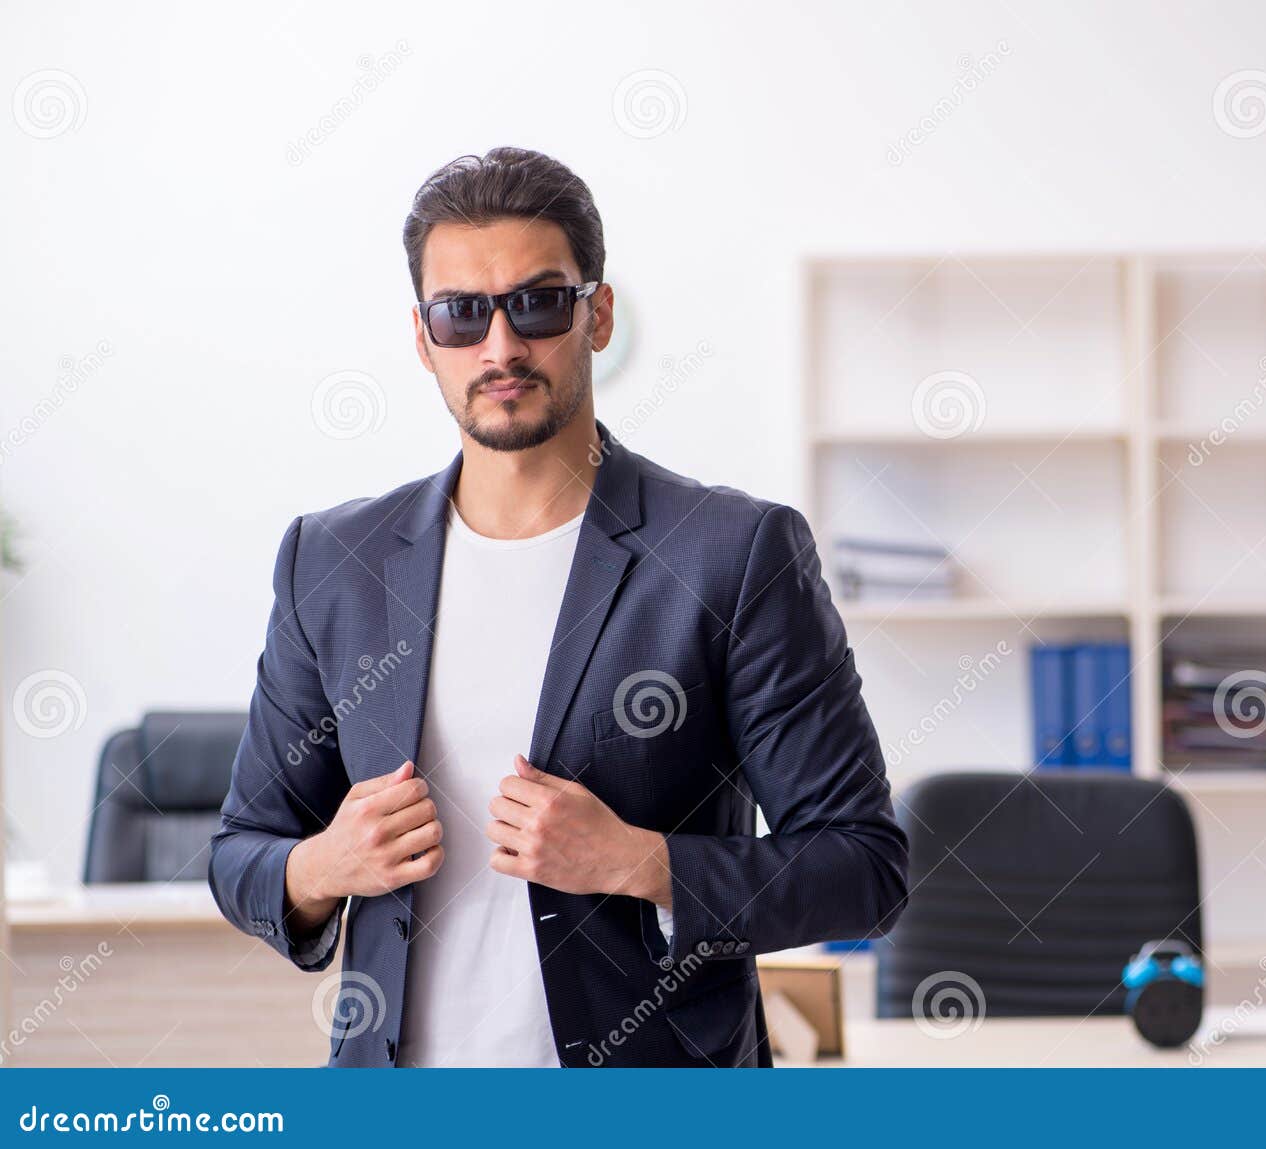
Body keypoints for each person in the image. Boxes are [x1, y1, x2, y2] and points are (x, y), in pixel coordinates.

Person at [209, 147, 907, 1068]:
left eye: (536, 304)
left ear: (597, 315)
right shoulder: (333, 562)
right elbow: (241, 853)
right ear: (422, 338)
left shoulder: (733, 554)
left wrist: (641, 863)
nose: (499, 348)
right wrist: (321, 866)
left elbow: (863, 868)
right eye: (461, 313)